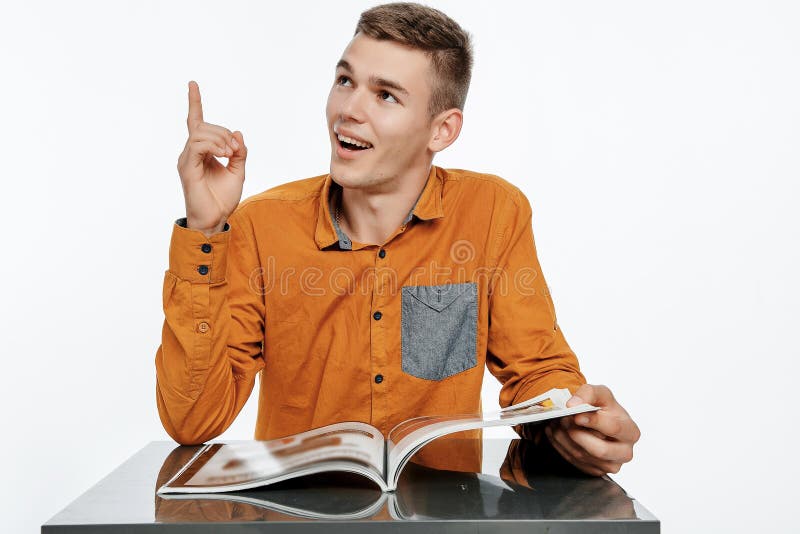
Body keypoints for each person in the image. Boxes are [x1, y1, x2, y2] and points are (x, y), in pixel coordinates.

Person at [156, 2, 640, 477]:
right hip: (299, 520)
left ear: (442, 130)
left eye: (385, 95)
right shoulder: (262, 226)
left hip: (441, 518)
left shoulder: (493, 214)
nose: (349, 109)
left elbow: (536, 371)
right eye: (345, 80)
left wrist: (574, 419)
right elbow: (192, 420)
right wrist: (204, 232)